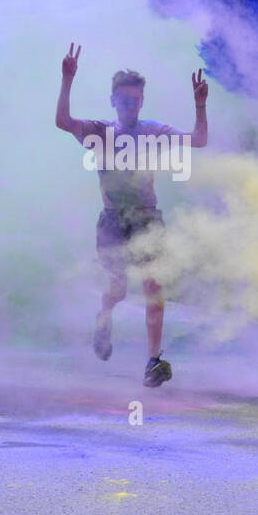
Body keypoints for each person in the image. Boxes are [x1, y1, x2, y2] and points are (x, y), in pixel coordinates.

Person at [55, 43, 208, 387]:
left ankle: (153, 362)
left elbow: (199, 140)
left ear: (142, 101)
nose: (131, 105)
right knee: (119, 288)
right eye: (124, 100)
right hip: (113, 222)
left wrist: (200, 105)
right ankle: (104, 316)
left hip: (148, 221)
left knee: (154, 289)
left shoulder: (153, 130)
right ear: (113, 101)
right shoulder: (101, 131)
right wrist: (67, 79)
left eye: (136, 100)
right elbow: (63, 121)